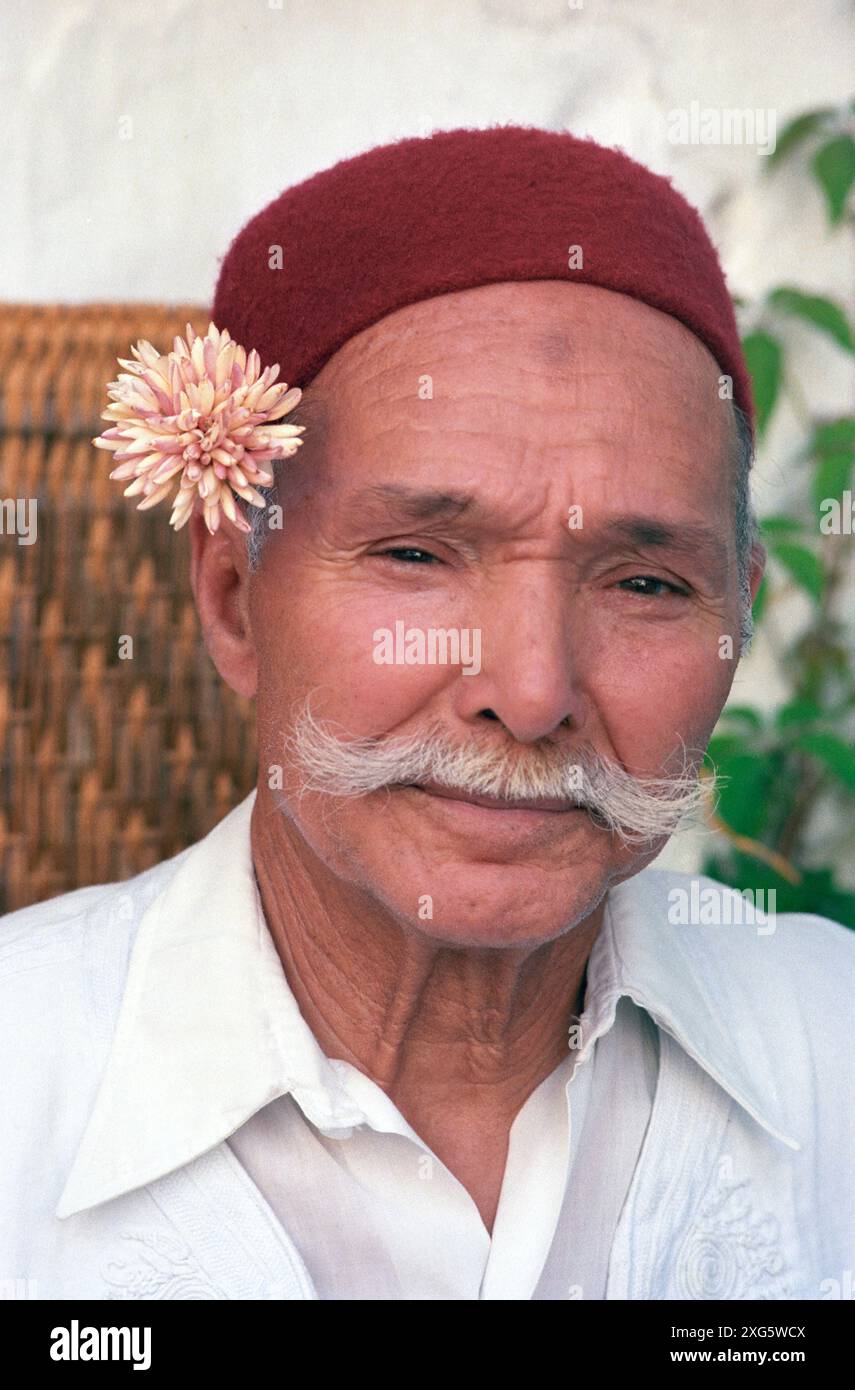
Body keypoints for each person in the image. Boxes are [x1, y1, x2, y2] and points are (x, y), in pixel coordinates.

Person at [2, 125, 853, 1301]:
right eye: (417, 553)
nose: (533, 690)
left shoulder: (834, 1052)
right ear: (233, 598)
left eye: (647, 582)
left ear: (739, 615)